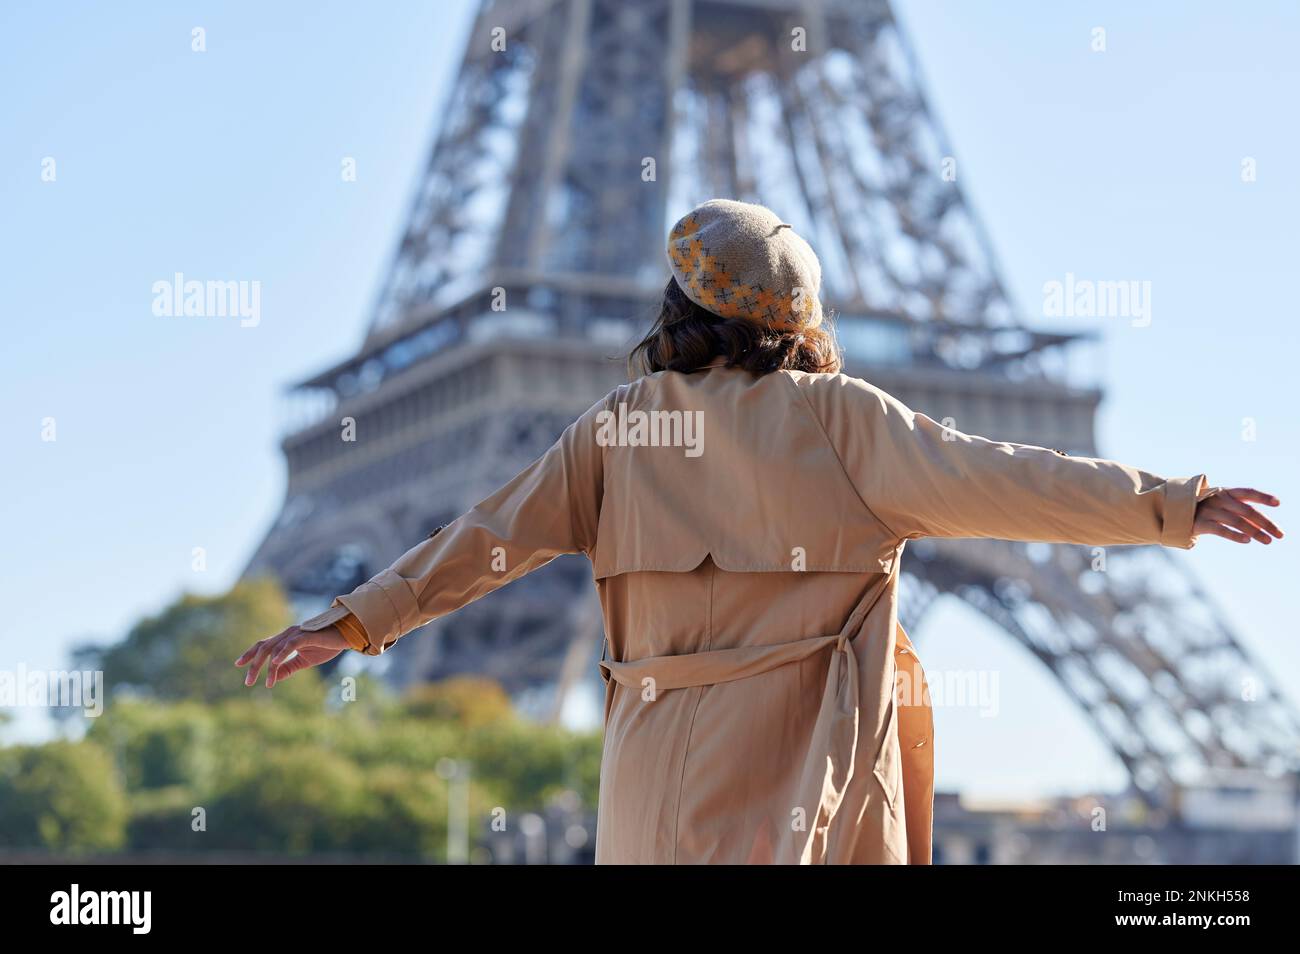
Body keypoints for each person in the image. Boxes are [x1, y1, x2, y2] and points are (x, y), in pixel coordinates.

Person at [236, 199, 1282, 864]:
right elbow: (1010, 479)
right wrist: (1169, 504)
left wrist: (353, 622)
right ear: (797, 320)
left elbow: (485, 539)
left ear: (677, 301)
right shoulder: (847, 422)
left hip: (659, 789)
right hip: (813, 778)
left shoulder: (622, 428)